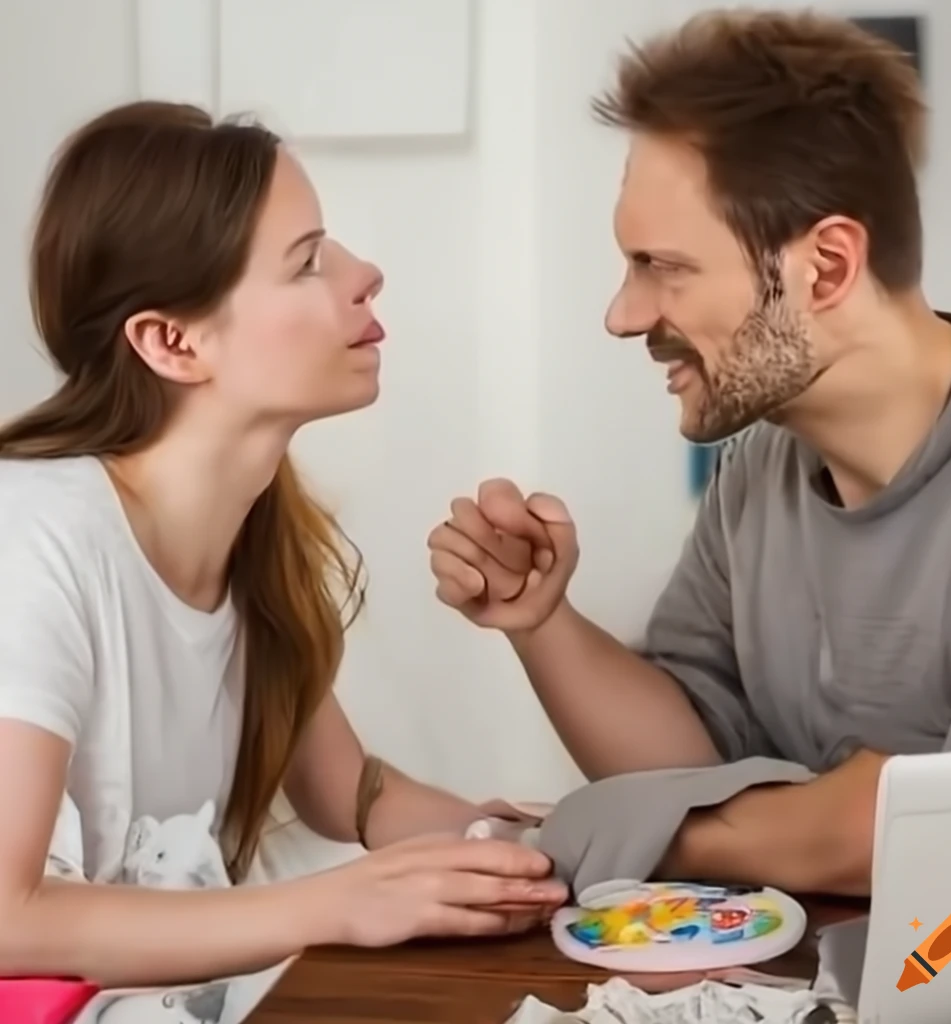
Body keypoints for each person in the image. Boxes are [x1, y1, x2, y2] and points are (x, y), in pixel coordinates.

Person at [428, 8, 951, 898]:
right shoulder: (757, 473)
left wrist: (616, 835)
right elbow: (686, 755)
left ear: (825, 268)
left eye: (662, 266)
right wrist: (542, 621)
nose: (622, 315)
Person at [0, 101, 565, 990]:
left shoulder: (253, 533)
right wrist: (339, 903)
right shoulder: (34, 537)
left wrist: (520, 848)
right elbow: (6, 916)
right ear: (171, 341)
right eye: (307, 262)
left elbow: (349, 790)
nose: (365, 274)